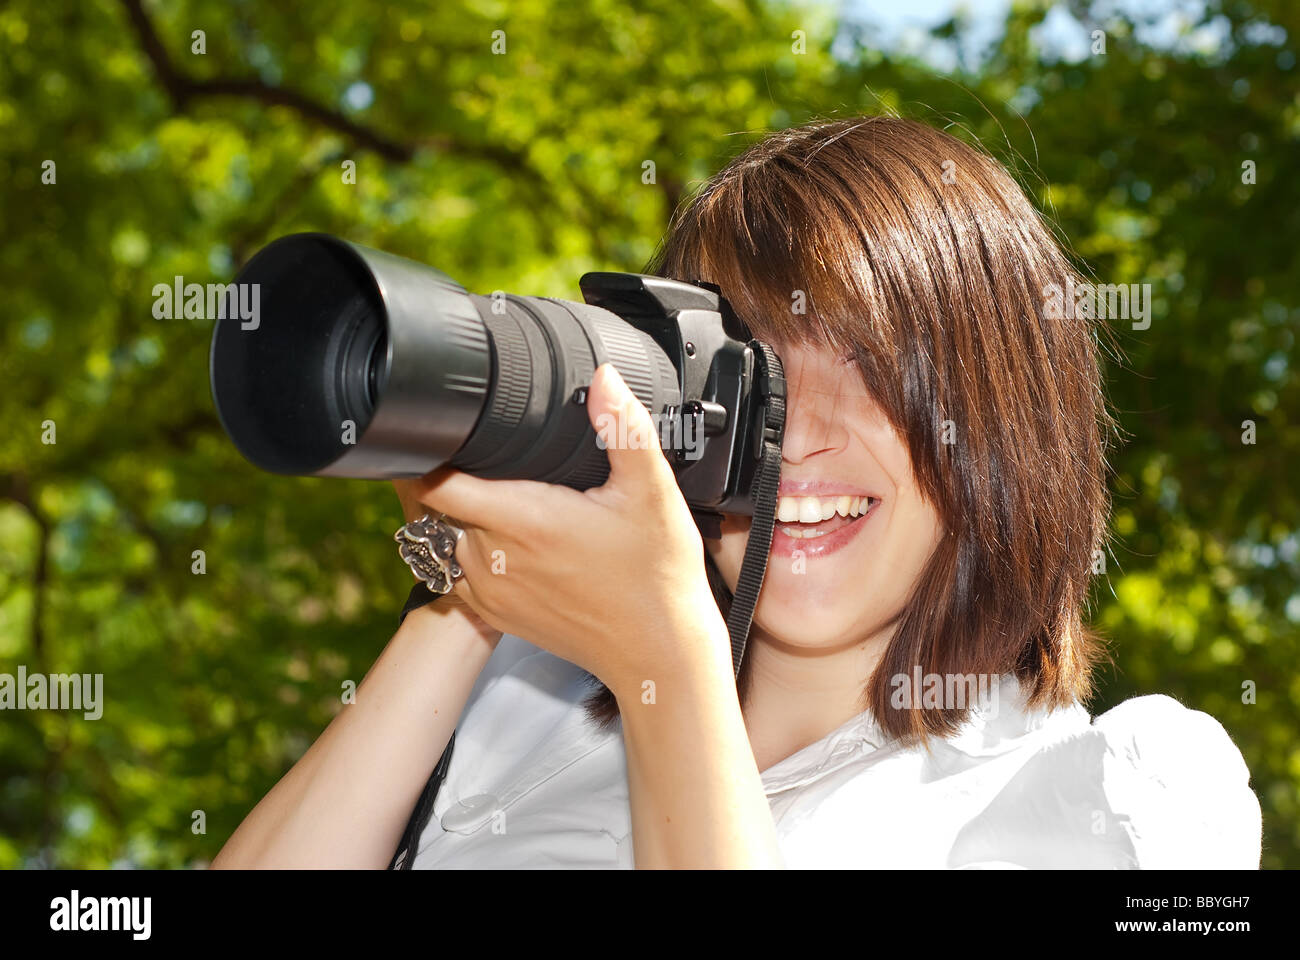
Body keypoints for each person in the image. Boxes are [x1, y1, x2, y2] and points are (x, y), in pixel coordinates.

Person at [212, 115, 1262, 869]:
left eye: (870, 362)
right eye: (749, 367)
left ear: (998, 415)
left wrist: (665, 663)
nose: (797, 431)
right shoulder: (531, 701)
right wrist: (467, 595)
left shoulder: (1113, 805)